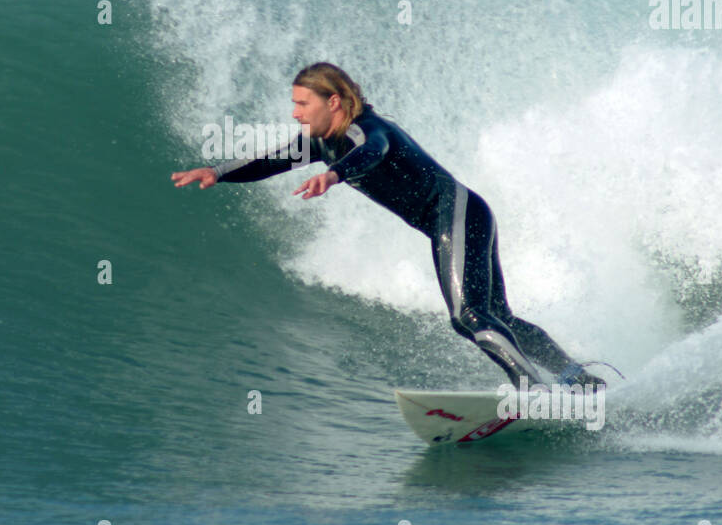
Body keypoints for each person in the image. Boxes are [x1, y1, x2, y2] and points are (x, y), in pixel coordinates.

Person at [170, 62, 604, 388]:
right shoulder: (324, 141)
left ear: (333, 102)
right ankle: (578, 381)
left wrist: (335, 174)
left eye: (303, 103)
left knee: (468, 315)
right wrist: (218, 171)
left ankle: (532, 389)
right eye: (294, 104)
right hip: (466, 214)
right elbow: (272, 159)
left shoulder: (366, 130)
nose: (296, 113)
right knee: (497, 315)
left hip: (456, 212)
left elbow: (371, 153)